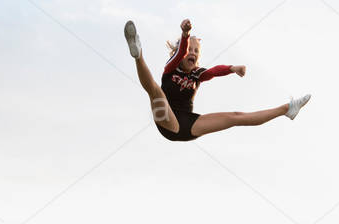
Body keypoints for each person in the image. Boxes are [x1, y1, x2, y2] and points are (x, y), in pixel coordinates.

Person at [124, 16, 310, 142]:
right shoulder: (171, 67)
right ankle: (138, 53)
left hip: (189, 124)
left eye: (196, 51)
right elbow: (181, 50)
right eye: (189, 49)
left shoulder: (197, 74)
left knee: (235, 117)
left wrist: (232, 68)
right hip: (166, 120)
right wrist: (185, 35)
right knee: (156, 92)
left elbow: (213, 71)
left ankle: (287, 109)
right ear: (179, 53)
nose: (192, 53)